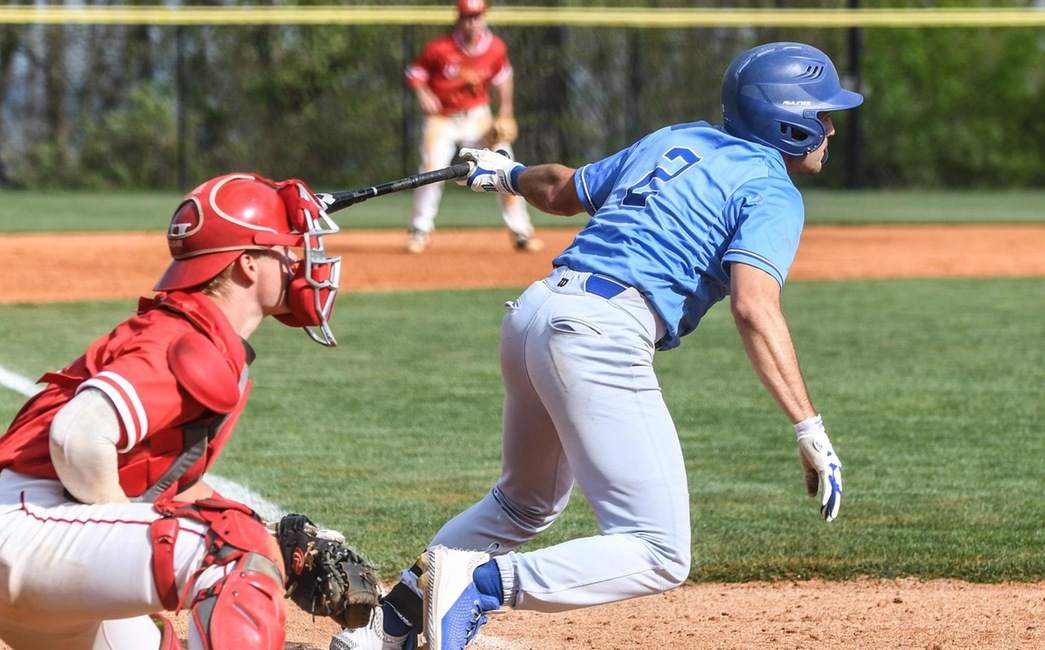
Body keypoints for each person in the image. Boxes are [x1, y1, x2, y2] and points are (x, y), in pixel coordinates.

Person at [331, 41, 857, 650]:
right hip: (597, 335)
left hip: (535, 313)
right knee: (659, 551)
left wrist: (507, 173)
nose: (831, 127)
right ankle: (477, 587)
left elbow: (562, 190)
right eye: (821, 113)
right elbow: (753, 306)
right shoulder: (772, 189)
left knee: (523, 502)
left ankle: (387, 627)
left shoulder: (675, 139)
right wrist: (808, 427)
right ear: (785, 118)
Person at [0, 172, 343, 649]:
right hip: (25, 528)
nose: (297, 261)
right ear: (247, 264)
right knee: (233, 550)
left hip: (40, 547)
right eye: (287, 249)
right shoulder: (188, 339)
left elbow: (169, 488)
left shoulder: (200, 335)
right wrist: (119, 524)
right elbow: (76, 437)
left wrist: (273, 537)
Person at [402, 0, 542, 254]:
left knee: (506, 164)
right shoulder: (439, 48)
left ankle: (521, 232)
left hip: (478, 115)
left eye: (477, 16)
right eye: (468, 17)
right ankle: (419, 230)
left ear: (484, 16)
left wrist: (506, 113)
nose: (473, 22)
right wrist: (422, 92)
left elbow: (503, 78)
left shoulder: (495, 47)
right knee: (431, 170)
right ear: (459, 18)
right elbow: (415, 71)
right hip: (443, 117)